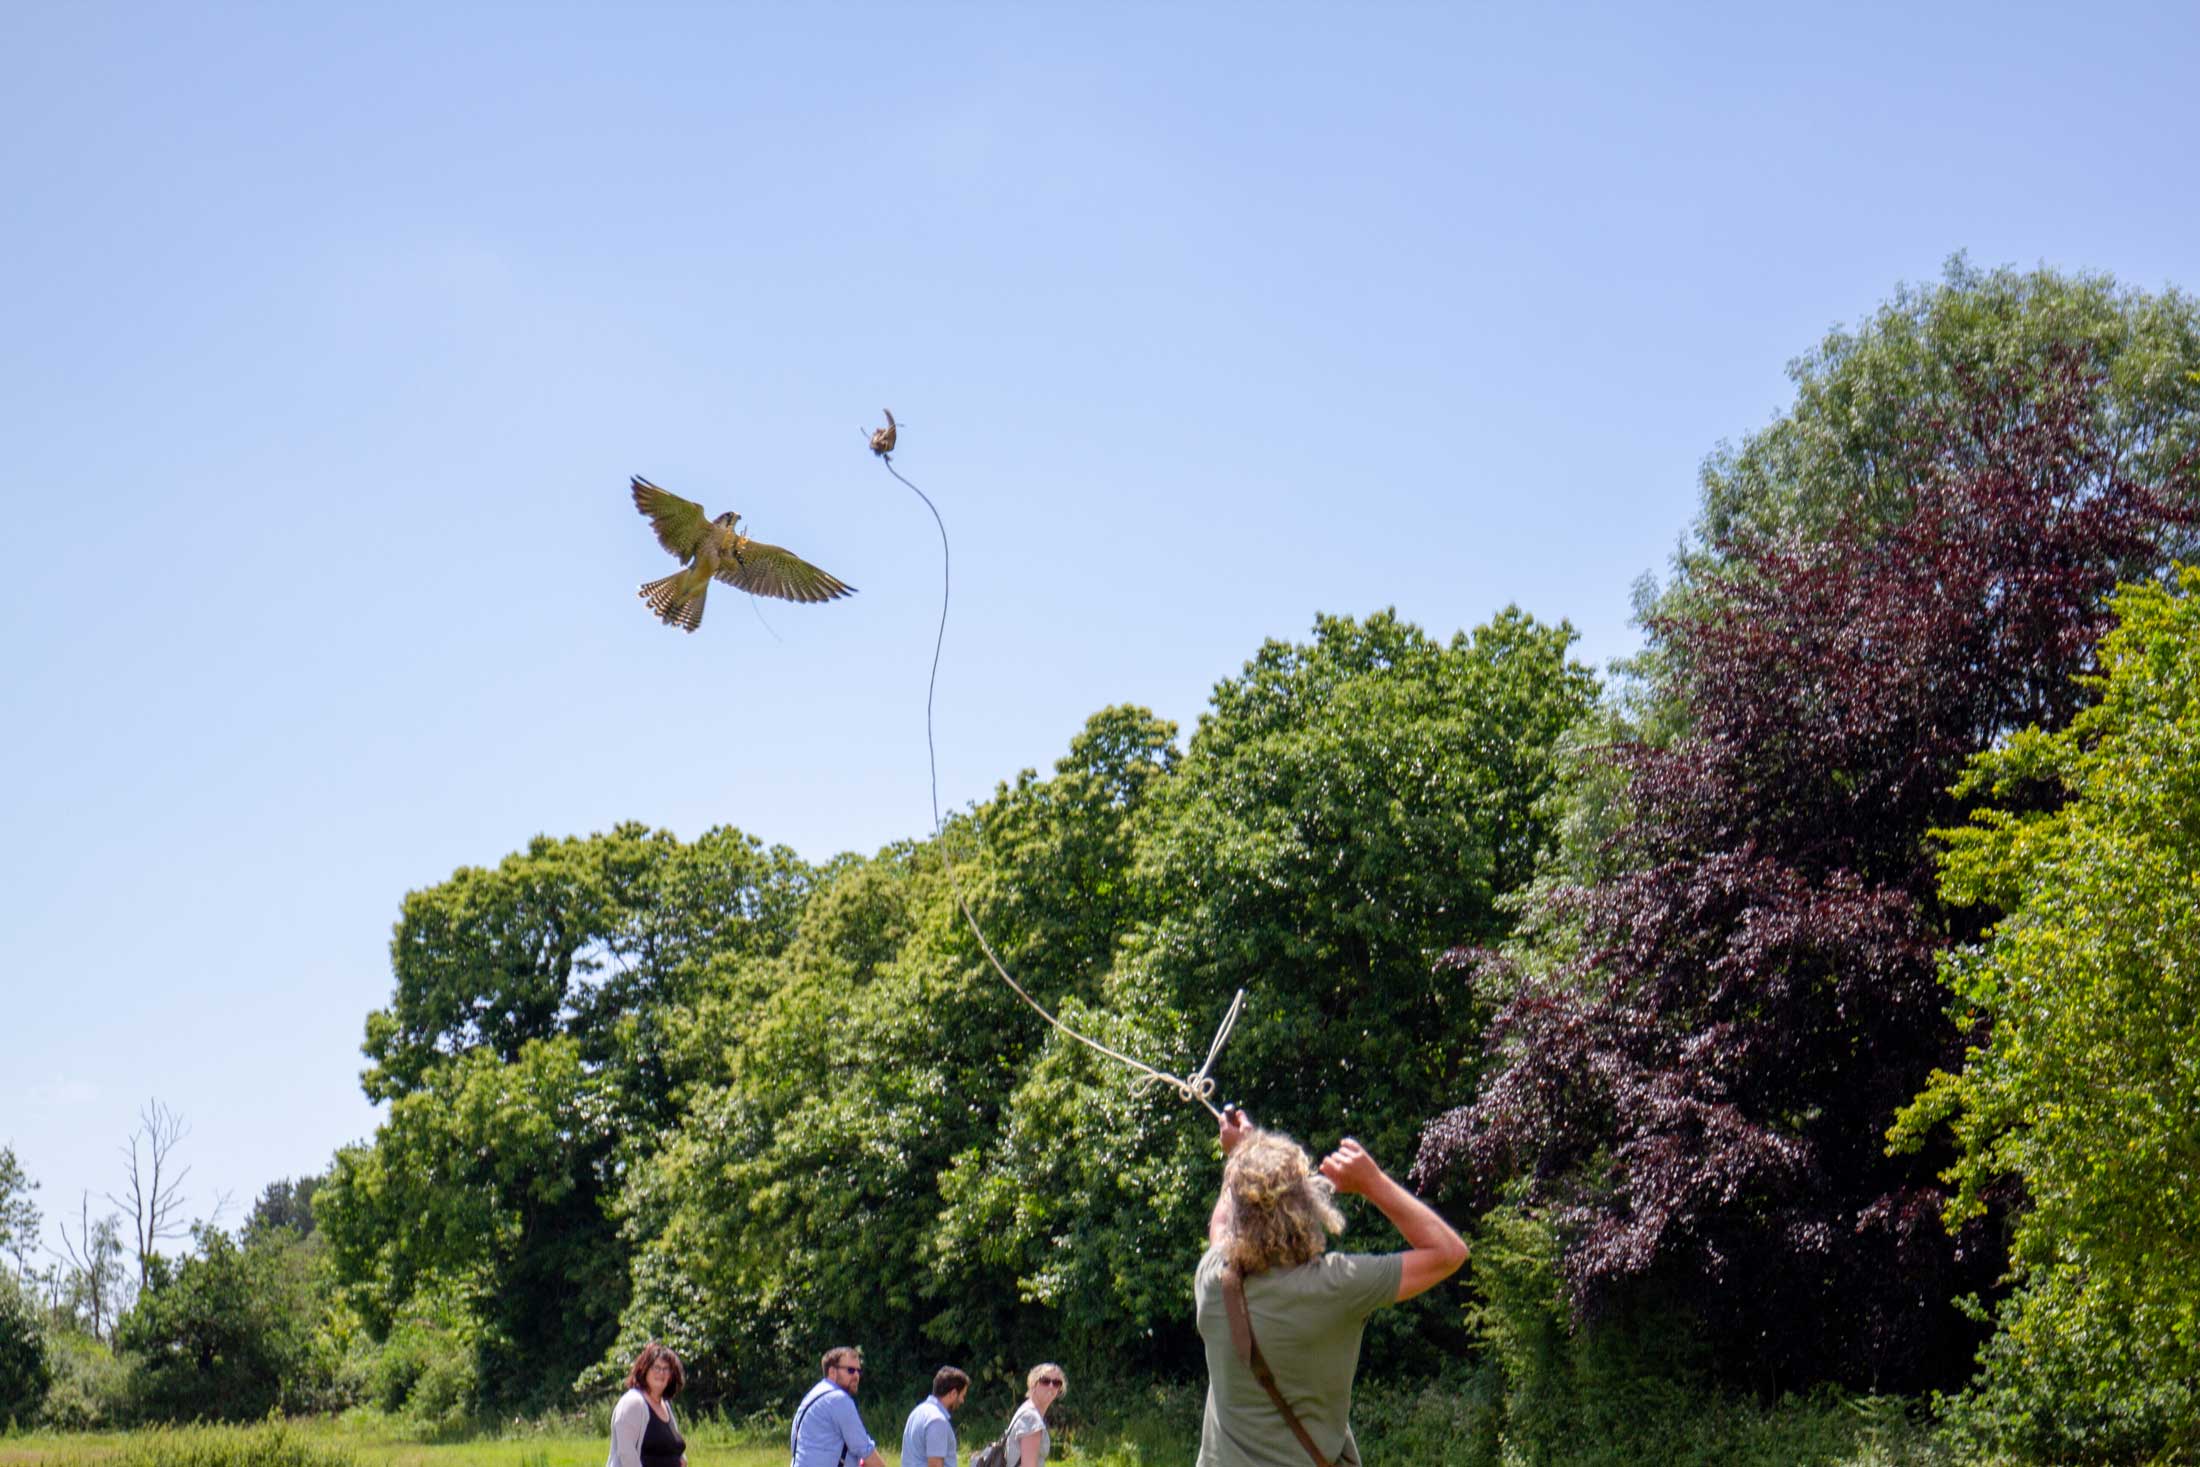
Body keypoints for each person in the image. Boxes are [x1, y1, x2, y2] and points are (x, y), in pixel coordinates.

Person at [1194, 1108, 1468, 1466]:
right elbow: (1449, 1253)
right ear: (1308, 1206)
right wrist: (1373, 1182)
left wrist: (1243, 1156)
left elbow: (1221, 1224)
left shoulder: (1214, 1279)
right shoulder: (1337, 1286)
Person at [791, 1344, 884, 1467]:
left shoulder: (813, 1395)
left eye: (859, 1371)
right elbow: (863, 1448)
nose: (856, 1376)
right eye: (850, 1370)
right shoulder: (838, 1399)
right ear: (832, 1372)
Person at [608, 1342, 686, 1467]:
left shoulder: (665, 1405)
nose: (661, 1373)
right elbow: (626, 1454)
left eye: (666, 1369)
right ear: (644, 1369)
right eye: (656, 1367)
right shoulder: (633, 1403)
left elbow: (674, 1448)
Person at [900, 1365, 970, 1467]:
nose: (962, 1401)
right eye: (962, 1396)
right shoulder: (937, 1421)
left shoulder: (917, 1412)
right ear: (953, 1393)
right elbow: (935, 1465)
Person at [1003, 1362, 1065, 1467]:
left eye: (1056, 1383)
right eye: (1045, 1381)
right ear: (1033, 1384)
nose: (1051, 1386)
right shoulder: (1031, 1418)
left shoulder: (1026, 1410)